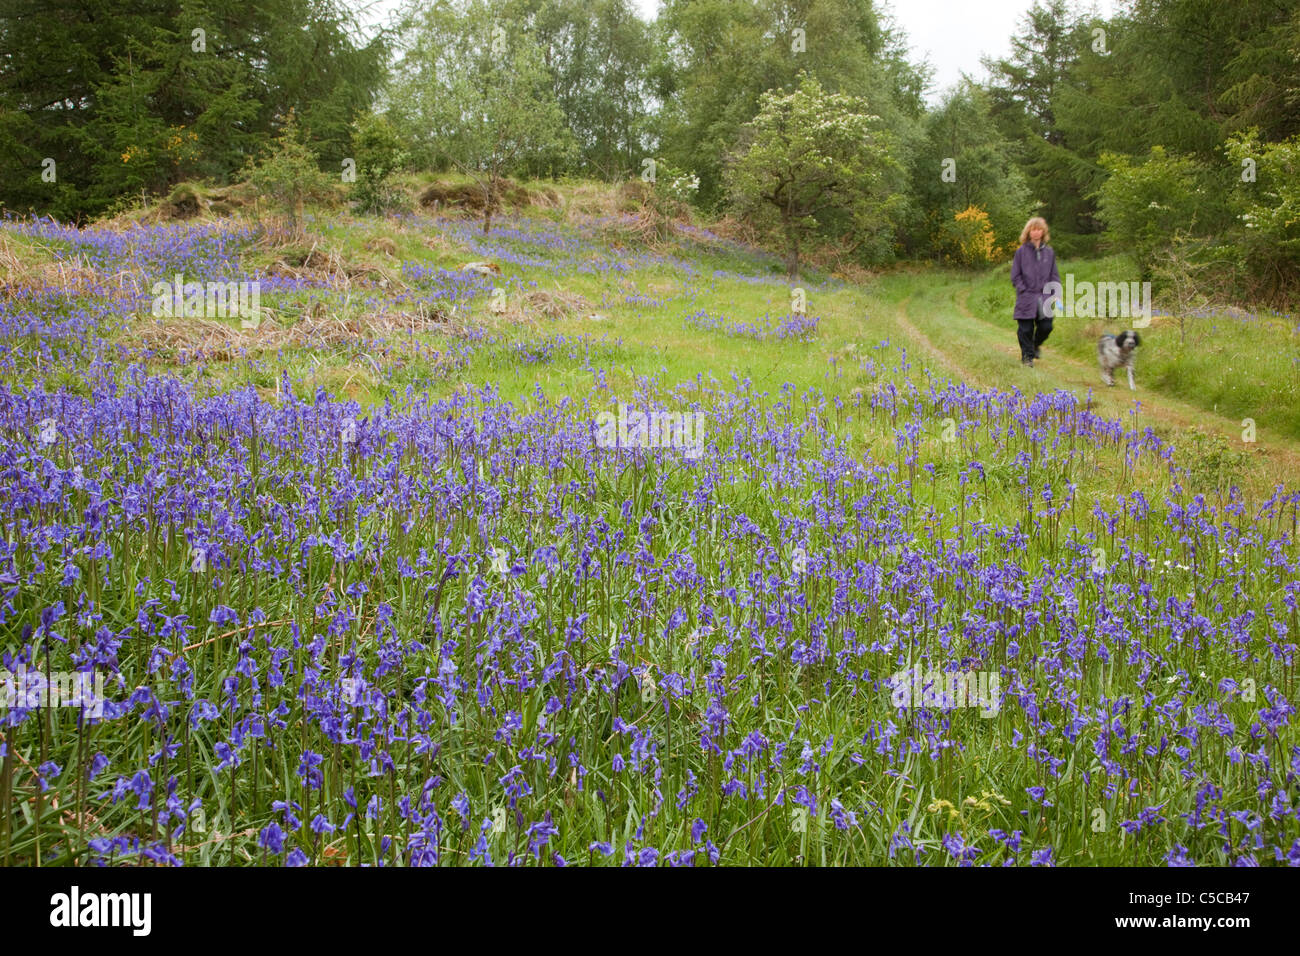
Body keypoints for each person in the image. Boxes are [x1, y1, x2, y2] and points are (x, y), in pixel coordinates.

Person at [1010, 217, 1059, 367]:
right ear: (1028, 232)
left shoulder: (1049, 253)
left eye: (1039, 229)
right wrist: (1023, 289)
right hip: (1027, 296)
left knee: (1046, 326)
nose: (1036, 232)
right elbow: (1015, 275)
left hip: (1044, 296)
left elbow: (1054, 275)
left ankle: (1034, 345)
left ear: (1043, 232)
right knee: (1025, 329)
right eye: (1033, 229)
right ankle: (1027, 357)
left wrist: (1055, 293)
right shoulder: (1021, 252)